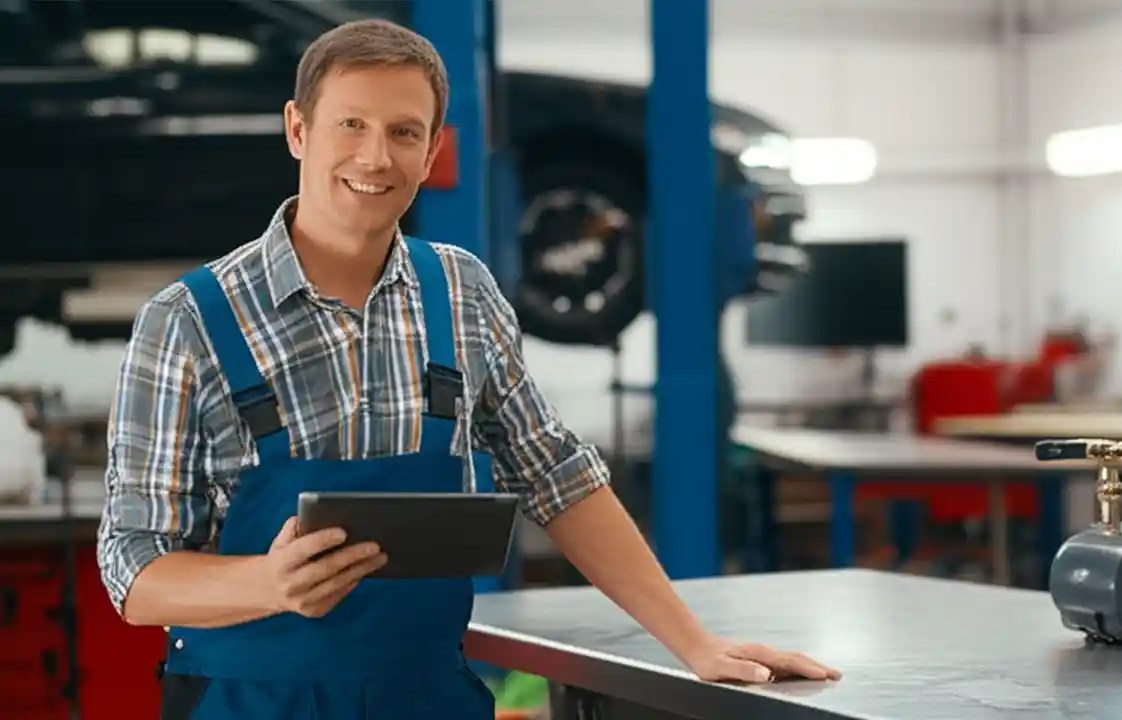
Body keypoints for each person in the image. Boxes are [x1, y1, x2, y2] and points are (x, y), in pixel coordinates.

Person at [96, 17, 839, 720]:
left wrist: (693, 641)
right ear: (298, 129)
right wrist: (267, 581)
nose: (375, 156)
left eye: (403, 133)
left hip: (427, 696)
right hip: (249, 702)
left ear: (431, 153)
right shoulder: (187, 320)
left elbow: (557, 477)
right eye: (350, 124)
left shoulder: (460, 293)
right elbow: (132, 567)